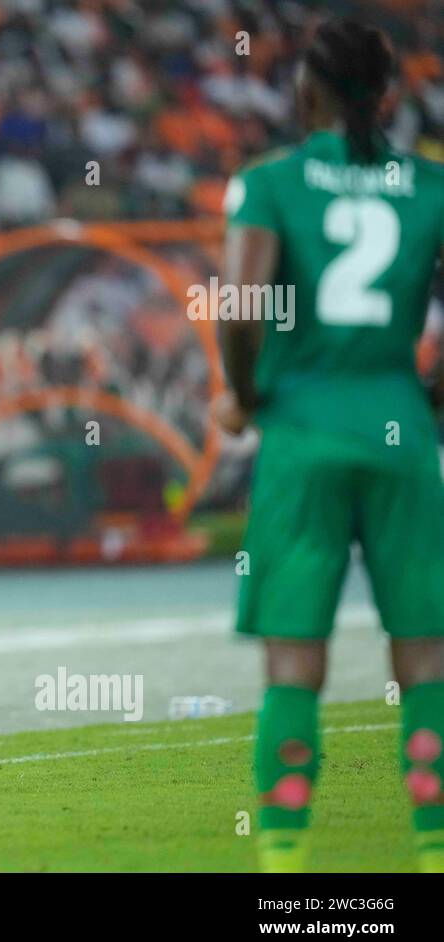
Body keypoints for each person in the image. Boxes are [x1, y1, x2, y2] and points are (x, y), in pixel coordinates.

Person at [218, 18, 444, 872]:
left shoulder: (270, 183)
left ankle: (284, 868)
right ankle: (432, 854)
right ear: (386, 95)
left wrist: (245, 398)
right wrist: (425, 395)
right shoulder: (431, 185)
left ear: (305, 91)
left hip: (302, 429)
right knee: (425, 653)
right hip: (400, 429)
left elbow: (241, 308)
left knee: (293, 659)